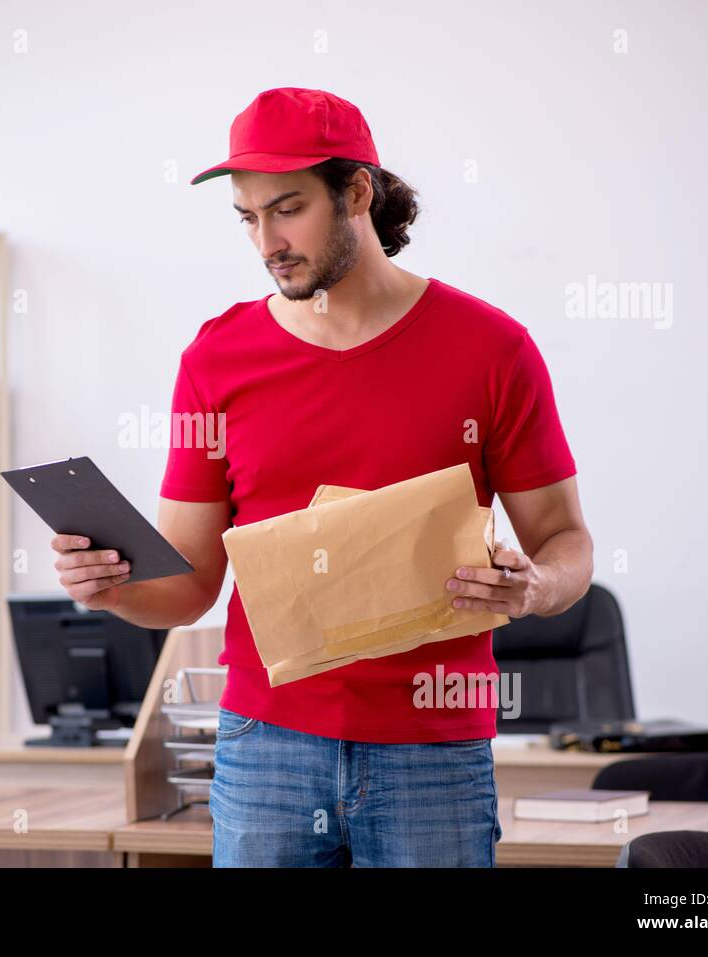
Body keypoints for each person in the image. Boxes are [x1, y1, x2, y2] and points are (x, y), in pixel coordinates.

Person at [49, 87, 593, 866]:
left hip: (431, 750)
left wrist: (535, 586)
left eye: (288, 208)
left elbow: (567, 540)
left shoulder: (491, 348)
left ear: (357, 192)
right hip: (266, 748)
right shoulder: (215, 360)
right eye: (248, 217)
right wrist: (107, 584)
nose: (267, 240)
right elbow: (191, 584)